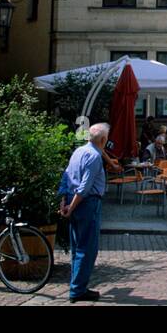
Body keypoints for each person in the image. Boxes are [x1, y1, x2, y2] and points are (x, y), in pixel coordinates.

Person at [59, 123, 109, 303]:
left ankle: (76, 286)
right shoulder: (95, 156)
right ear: (103, 140)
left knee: (77, 247)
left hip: (74, 200)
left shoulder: (78, 151)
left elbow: (66, 175)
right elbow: (85, 187)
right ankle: (78, 290)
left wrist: (64, 200)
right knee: (87, 248)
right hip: (87, 204)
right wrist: (71, 207)